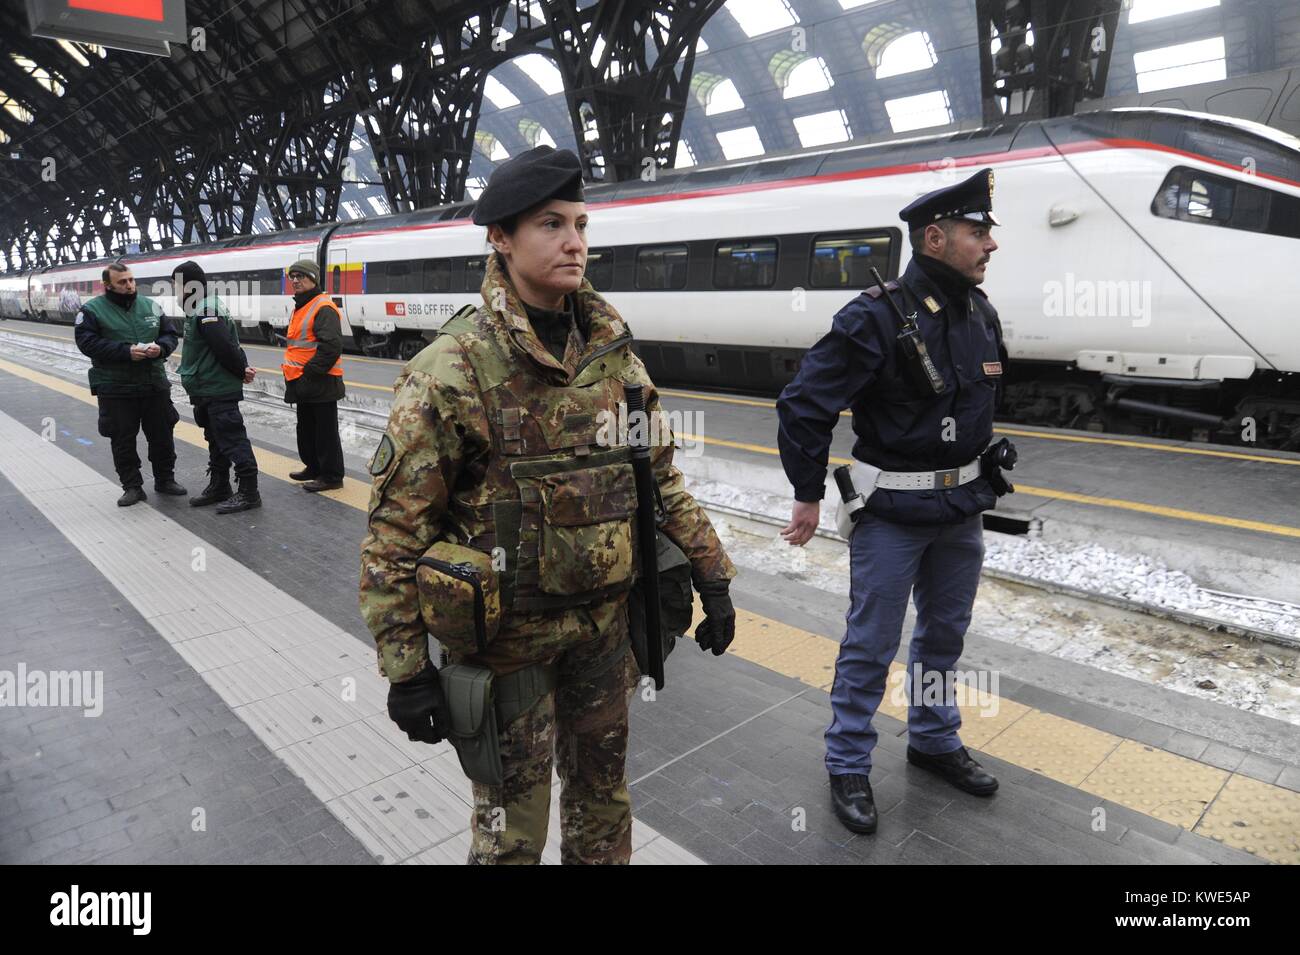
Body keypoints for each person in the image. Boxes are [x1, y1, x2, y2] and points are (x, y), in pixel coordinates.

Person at [359, 145, 737, 865]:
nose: (575, 243)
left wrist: (713, 573)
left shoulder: (613, 356)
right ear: (500, 236)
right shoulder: (453, 367)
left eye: (582, 224)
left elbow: (660, 478)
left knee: (604, 806)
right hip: (509, 648)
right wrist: (406, 667)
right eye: (551, 224)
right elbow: (396, 533)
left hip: (604, 632)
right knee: (510, 833)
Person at [776, 168, 1016, 835]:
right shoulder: (874, 316)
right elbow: (804, 405)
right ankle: (847, 762)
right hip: (891, 518)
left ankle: (934, 739)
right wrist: (806, 493)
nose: (990, 245)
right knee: (871, 643)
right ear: (935, 238)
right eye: (978, 233)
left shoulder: (980, 312)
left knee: (943, 635)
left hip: (961, 512)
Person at [74, 262, 187, 507]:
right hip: (115, 387)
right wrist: (125, 352)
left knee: (162, 435)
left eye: (131, 280)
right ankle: (132, 486)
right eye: (122, 282)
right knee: (122, 438)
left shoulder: (151, 306)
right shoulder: (92, 311)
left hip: (153, 384)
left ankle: (165, 479)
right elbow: (87, 343)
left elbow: (169, 334)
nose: (129, 285)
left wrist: (162, 348)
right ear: (108, 285)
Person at [173, 261, 261, 513]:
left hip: (217, 387)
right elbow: (230, 344)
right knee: (216, 439)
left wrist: (239, 370)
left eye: (176, 285)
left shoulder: (206, 309)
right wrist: (241, 367)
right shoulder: (201, 307)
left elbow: (224, 346)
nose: (175, 291)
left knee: (232, 439)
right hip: (206, 387)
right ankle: (220, 484)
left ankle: (249, 492)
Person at [280, 258, 346, 492]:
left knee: (325, 431)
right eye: (293, 277)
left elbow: (331, 347)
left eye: (301, 276)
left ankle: (332, 475)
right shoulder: (302, 305)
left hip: (321, 381)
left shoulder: (322, 307)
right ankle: (314, 467)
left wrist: (309, 373)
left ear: (313, 279)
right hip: (303, 380)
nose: (296, 281)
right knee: (307, 428)